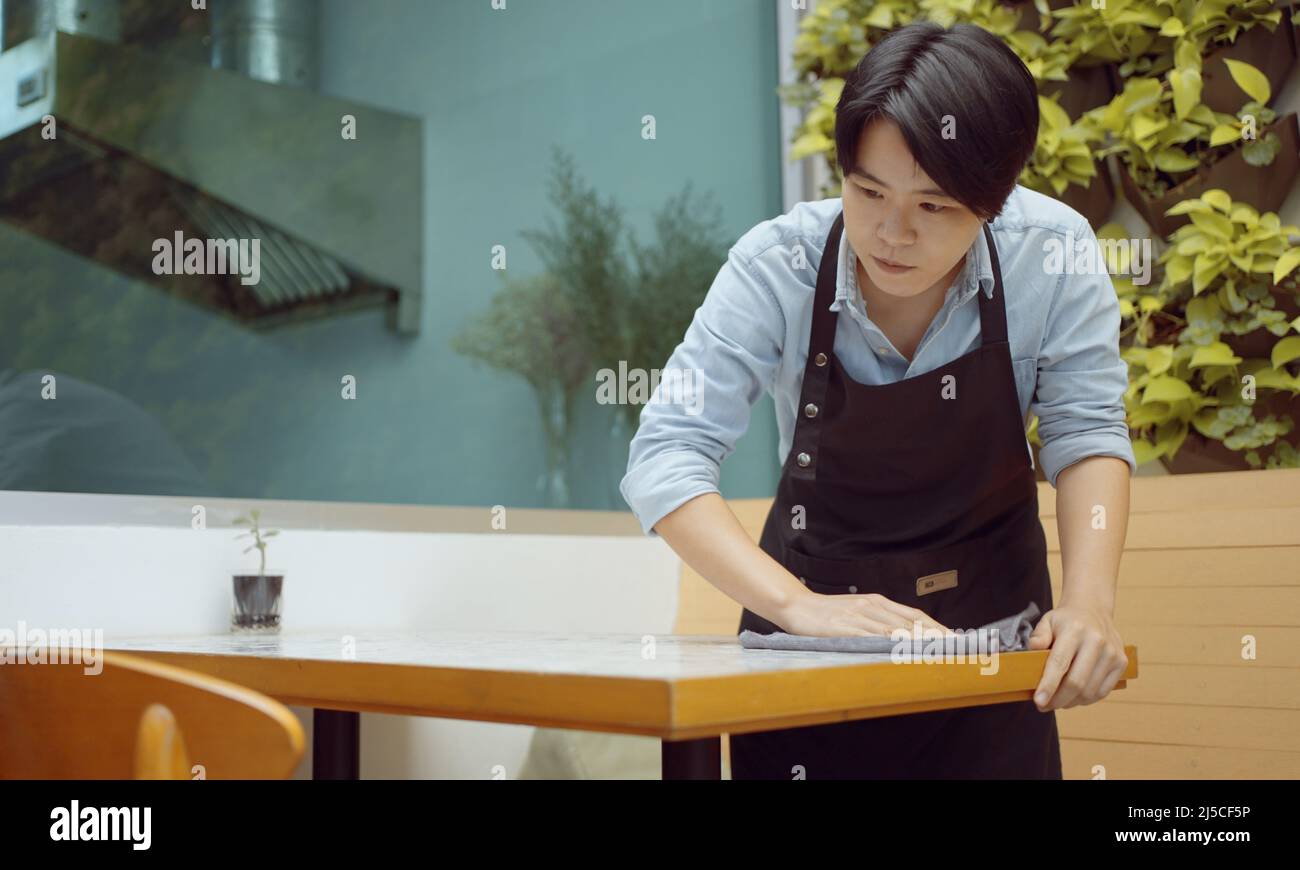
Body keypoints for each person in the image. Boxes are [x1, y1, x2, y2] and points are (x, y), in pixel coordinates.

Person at [619, 21, 1134, 779]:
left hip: (993, 649)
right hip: (809, 660)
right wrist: (799, 608)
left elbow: (1085, 432)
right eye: (868, 192)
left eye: (934, 207)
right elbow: (667, 455)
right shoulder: (777, 265)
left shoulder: (1051, 253)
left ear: (995, 200)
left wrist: (1090, 606)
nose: (892, 234)